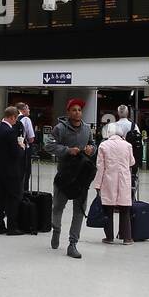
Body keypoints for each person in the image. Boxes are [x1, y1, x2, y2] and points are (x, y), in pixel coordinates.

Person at [47, 97, 97, 259]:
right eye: (74, 109)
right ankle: (56, 230)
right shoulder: (59, 129)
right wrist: (67, 150)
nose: (77, 112)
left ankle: (73, 243)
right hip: (65, 175)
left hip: (82, 176)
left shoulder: (87, 129)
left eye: (80, 110)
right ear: (68, 112)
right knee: (58, 207)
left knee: (79, 210)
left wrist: (91, 149)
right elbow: (49, 145)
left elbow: (93, 144)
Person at [93, 122, 137, 245]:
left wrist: (97, 185)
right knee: (124, 209)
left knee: (108, 209)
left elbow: (100, 167)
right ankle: (127, 238)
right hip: (124, 179)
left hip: (109, 180)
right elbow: (132, 162)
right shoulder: (128, 145)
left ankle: (109, 237)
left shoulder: (103, 146)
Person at [0, 106, 24, 236]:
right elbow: (15, 153)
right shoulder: (10, 132)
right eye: (16, 118)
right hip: (10, 170)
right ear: (12, 117)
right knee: (13, 197)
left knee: (0, 197)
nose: (16, 121)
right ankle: (12, 227)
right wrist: (21, 147)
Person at [17, 102, 36, 192]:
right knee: (25, 171)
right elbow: (31, 138)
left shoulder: (11, 118)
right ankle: (24, 191)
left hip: (12, 148)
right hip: (24, 149)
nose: (29, 111)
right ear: (23, 110)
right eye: (28, 109)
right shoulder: (26, 119)